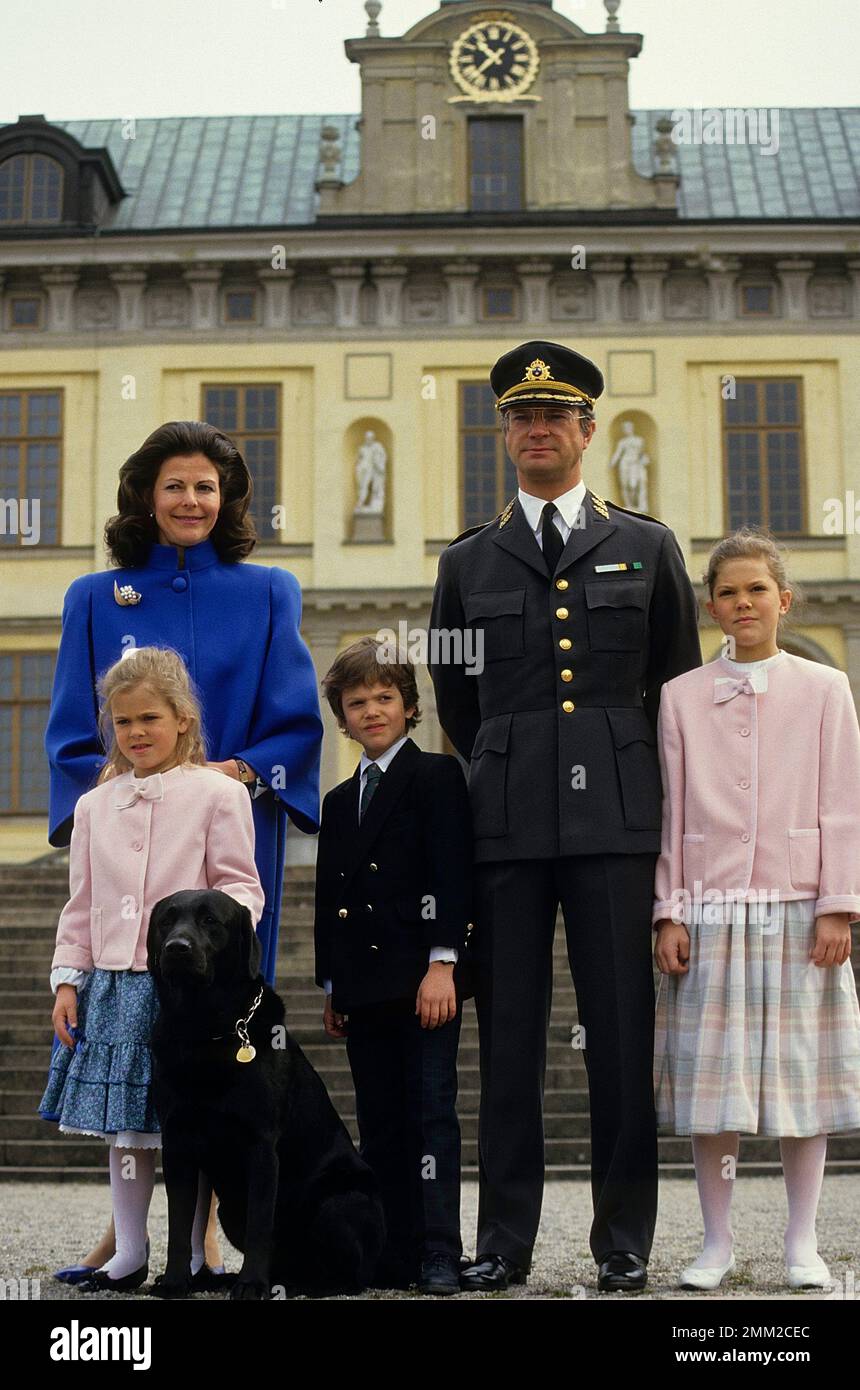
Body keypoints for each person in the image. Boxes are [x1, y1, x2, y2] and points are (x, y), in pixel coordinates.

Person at [429, 340, 702, 1293]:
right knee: (508, 1041)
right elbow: (456, 699)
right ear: (504, 434)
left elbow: (673, 687)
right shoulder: (466, 561)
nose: (537, 430)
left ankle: (623, 1241)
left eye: (554, 416)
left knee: (620, 1037)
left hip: (618, 826)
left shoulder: (649, 546)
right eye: (521, 417)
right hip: (505, 828)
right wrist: (509, 765)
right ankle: (503, 1242)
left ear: (589, 431)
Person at [44, 419, 322, 1281]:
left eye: (207, 486)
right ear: (146, 495)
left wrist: (234, 772)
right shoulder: (95, 595)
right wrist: (123, 788)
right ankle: (135, 1238)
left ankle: (197, 1234)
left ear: (226, 497)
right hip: (129, 844)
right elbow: (70, 733)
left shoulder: (270, 590)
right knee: (133, 1059)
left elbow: (296, 723)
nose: (192, 500)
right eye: (175, 485)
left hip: (229, 825)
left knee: (215, 1046)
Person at [653, 529, 860, 1291]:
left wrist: (838, 905)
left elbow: (843, 802)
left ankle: (803, 1243)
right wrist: (669, 910)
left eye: (757, 590)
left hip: (800, 908)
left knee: (804, 1085)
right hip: (710, 908)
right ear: (711, 607)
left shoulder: (826, 688)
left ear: (784, 599)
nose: (744, 603)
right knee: (716, 1092)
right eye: (729, 593)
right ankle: (717, 1242)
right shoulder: (680, 696)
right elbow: (672, 810)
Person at [39, 646, 265, 1291]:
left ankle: (192, 1254)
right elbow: (80, 902)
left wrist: (205, 939)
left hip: (190, 993)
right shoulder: (92, 807)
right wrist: (67, 980)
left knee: (192, 1124)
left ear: (183, 719)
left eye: (150, 718)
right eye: (123, 722)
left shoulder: (221, 794)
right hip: (113, 985)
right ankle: (130, 1253)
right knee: (126, 1130)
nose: (136, 732)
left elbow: (242, 887)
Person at [314, 637, 474, 1295]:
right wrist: (332, 984)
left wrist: (444, 964)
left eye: (385, 697)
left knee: (430, 1115)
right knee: (378, 1119)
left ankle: (439, 1251)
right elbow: (331, 896)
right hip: (363, 985)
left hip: (422, 981)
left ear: (409, 706)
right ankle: (392, 1251)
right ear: (342, 718)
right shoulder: (337, 801)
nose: (372, 711)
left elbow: (452, 876)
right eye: (357, 703)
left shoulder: (436, 776)